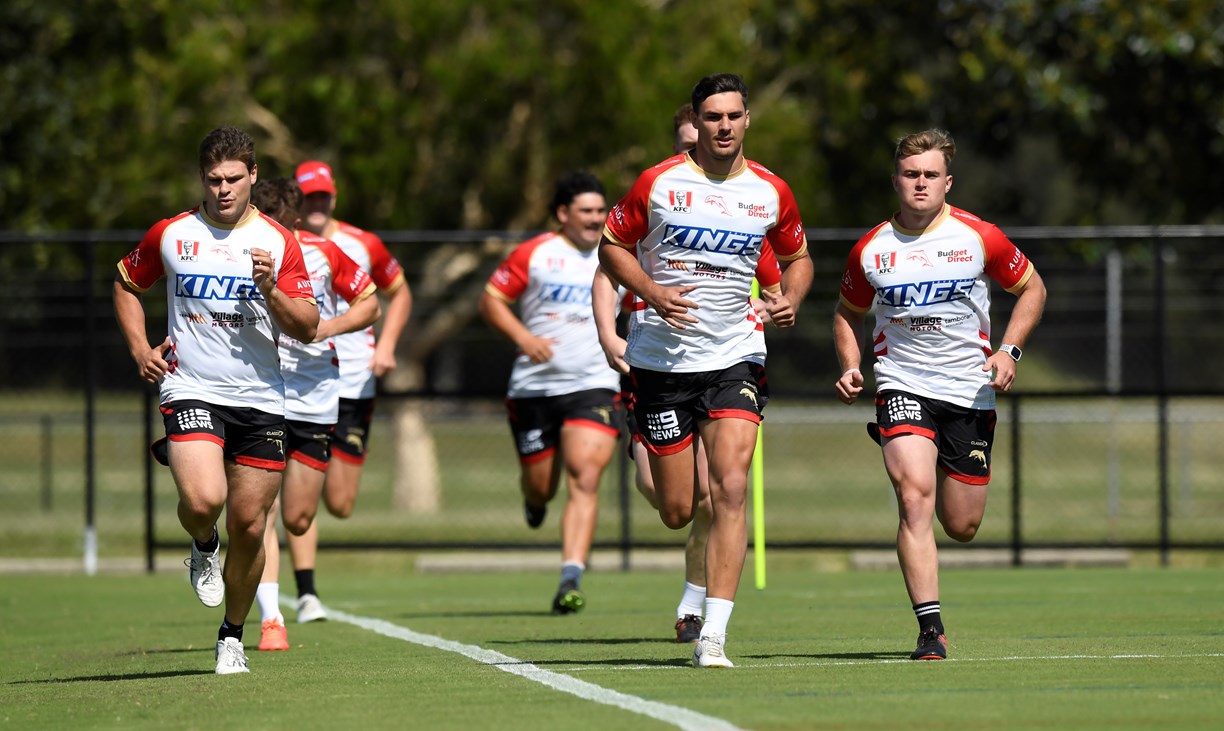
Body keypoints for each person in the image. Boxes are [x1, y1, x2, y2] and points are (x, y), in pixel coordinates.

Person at [598, 73, 813, 668]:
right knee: (677, 509)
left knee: (731, 489)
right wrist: (652, 292)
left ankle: (712, 634)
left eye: (733, 116)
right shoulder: (659, 183)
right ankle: (658, 478)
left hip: (735, 356)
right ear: (697, 121)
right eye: (713, 116)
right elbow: (611, 248)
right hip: (661, 361)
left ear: (747, 120)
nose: (724, 126)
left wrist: (790, 298)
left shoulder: (770, 190)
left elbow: (797, 258)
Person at [833, 128, 1047, 661]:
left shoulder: (979, 236)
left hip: (969, 391)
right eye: (911, 174)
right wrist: (852, 365)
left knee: (962, 523)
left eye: (931, 174)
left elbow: (1033, 288)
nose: (920, 183)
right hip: (902, 383)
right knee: (913, 498)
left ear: (948, 182)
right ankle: (931, 629)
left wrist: (1009, 352)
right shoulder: (871, 249)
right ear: (896, 181)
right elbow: (847, 313)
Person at [113, 126, 319, 674]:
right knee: (205, 500)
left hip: (261, 396)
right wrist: (139, 349)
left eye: (233, 178)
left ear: (253, 175)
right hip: (190, 385)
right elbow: (127, 284)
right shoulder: (172, 233)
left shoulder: (279, 241)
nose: (223, 189)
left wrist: (271, 289)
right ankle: (203, 543)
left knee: (249, 526)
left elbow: (307, 325)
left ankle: (232, 635)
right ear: (201, 179)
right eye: (213, 179)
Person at [479, 171, 623, 614]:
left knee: (585, 475)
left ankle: (570, 576)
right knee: (542, 487)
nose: (596, 219)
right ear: (563, 213)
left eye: (601, 210)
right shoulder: (536, 253)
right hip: (535, 389)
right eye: (586, 211)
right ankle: (534, 498)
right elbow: (491, 299)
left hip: (594, 385)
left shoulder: (619, 255)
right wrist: (523, 338)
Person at [248, 178, 380, 651]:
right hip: (259, 390)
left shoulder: (324, 253)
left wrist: (327, 327)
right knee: (260, 509)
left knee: (299, 518)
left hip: (316, 393)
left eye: (281, 227)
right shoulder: (233, 251)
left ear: (296, 224)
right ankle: (271, 619)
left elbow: (370, 304)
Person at [290, 160, 412, 623]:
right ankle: (306, 593)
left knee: (340, 504)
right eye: (309, 197)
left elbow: (399, 293)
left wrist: (388, 346)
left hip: (354, 382)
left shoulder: (363, 243)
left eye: (323, 196)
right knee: (294, 495)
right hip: (299, 383)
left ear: (334, 197)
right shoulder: (281, 243)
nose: (316, 204)